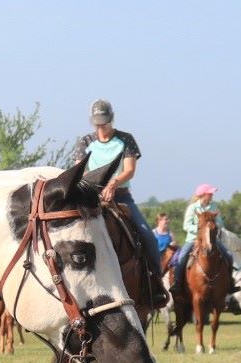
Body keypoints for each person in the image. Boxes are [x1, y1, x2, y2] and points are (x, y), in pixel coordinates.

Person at [68, 100, 167, 307]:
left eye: (104, 122)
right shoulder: (85, 142)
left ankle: (156, 285)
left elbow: (129, 169)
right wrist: (95, 188)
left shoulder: (125, 140)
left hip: (121, 196)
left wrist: (113, 183)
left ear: (111, 119)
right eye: (97, 124)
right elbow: (80, 171)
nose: (101, 127)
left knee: (148, 237)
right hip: (92, 197)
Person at [172, 183, 232, 276]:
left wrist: (213, 226)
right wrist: (202, 230)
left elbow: (220, 223)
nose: (212, 195)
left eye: (211, 193)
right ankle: (177, 283)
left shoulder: (214, 207)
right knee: (181, 258)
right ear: (203, 195)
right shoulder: (192, 208)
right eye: (210, 194)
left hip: (212, 240)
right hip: (193, 239)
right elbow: (186, 225)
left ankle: (230, 283)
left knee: (229, 255)